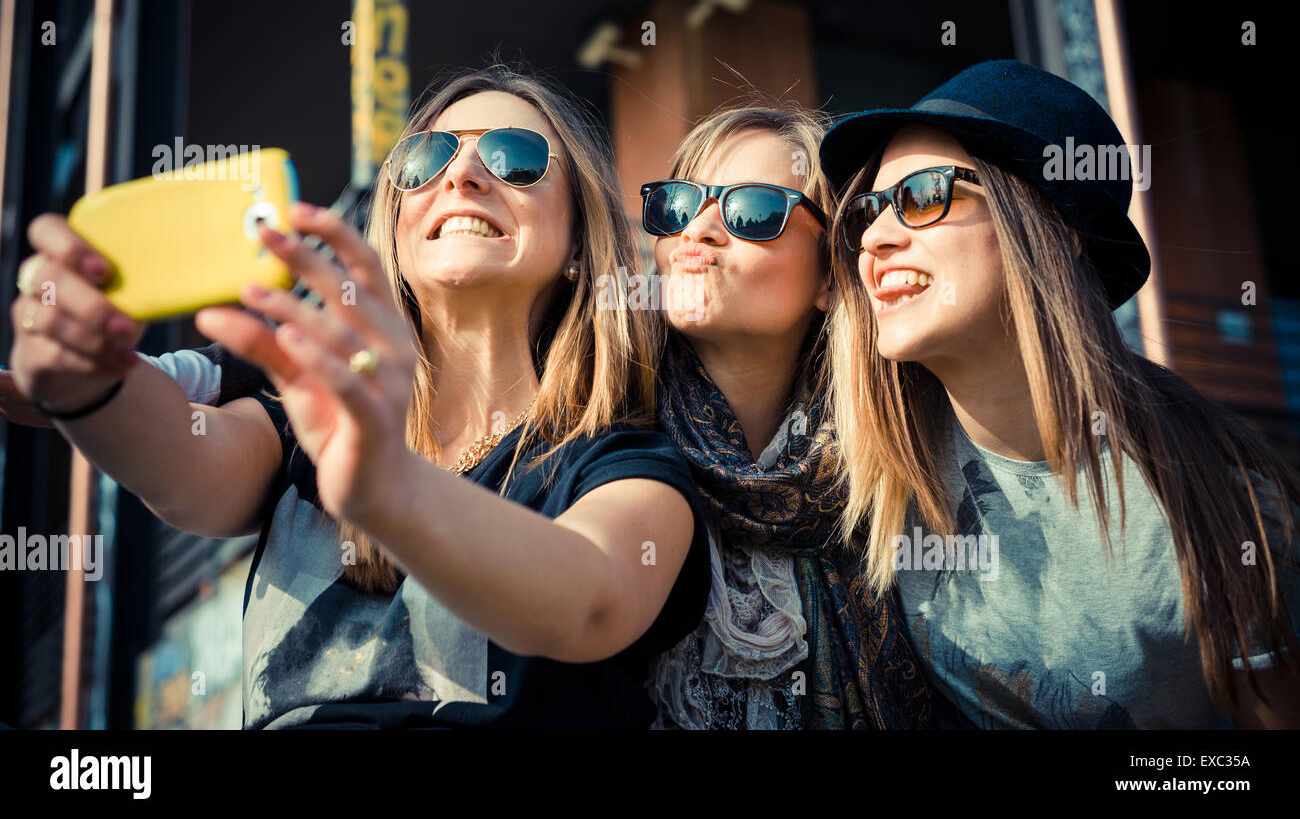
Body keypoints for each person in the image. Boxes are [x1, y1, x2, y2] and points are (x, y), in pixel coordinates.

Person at [7, 64, 710, 729]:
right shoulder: (308, 424)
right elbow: (183, 466)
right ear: (396, 232)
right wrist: (92, 386)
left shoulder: (628, 465)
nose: (462, 174)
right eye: (425, 160)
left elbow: (587, 603)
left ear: (581, 241)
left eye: (515, 156)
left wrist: (389, 487)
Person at [821, 59, 1300, 728]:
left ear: (1055, 226)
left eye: (924, 195)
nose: (873, 237)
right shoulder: (867, 462)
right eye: (867, 210)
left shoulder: (1223, 509)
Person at [639, 102, 937, 728]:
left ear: (831, 274)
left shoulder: (902, 465)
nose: (699, 230)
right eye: (678, 206)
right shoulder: (602, 437)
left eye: (751, 211)